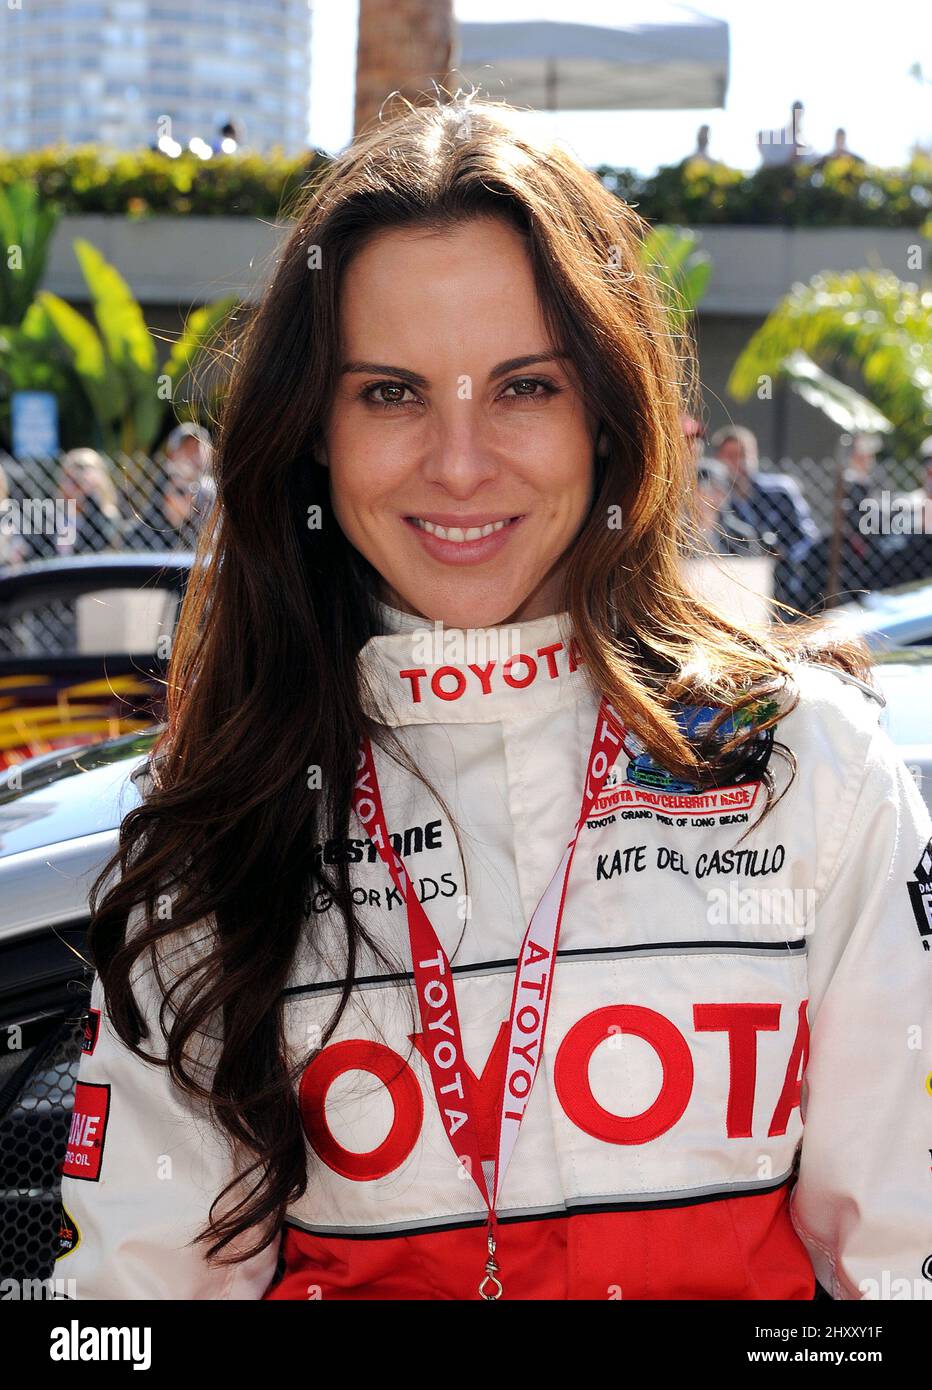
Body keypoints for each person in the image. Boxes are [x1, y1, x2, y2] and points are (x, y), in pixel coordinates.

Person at [56, 95, 932, 1302]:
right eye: (390, 393)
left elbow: (900, 1265)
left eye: (522, 387)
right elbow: (131, 1311)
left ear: (605, 413)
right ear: (313, 430)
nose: (459, 463)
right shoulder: (220, 821)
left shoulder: (806, 769)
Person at [710, 424, 820, 559]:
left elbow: (807, 537)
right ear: (717, 459)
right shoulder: (711, 498)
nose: (740, 462)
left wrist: (786, 558)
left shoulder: (780, 491)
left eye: (745, 454)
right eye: (732, 456)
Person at [124, 423, 215, 552]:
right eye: (186, 449)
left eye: (198, 449)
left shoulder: (214, 492)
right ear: (172, 454)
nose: (193, 456)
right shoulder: (161, 482)